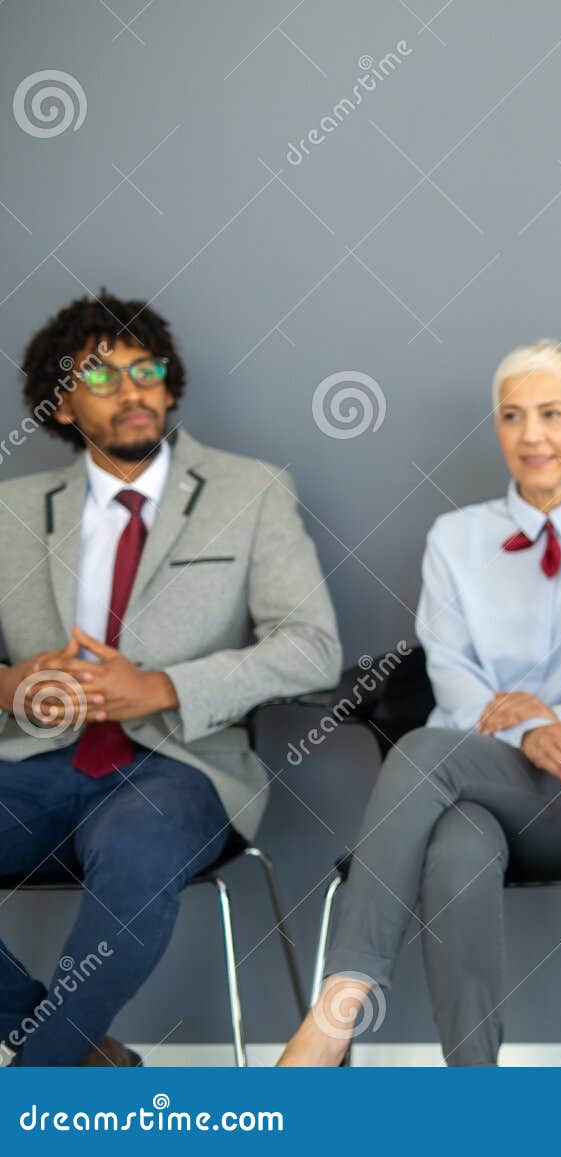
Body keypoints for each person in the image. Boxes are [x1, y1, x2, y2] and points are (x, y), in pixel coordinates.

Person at [279, 340, 561, 1067]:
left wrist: (553, 724)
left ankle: (336, 1011)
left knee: (423, 748)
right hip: (471, 783)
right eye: (511, 416)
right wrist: (525, 732)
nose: (530, 434)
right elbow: (451, 675)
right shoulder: (456, 537)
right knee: (459, 845)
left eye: (551, 413)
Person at [0, 292, 340, 1067]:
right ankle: (73, 1052)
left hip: (180, 766)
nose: (131, 390)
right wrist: (10, 684)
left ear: (169, 383)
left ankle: (34, 1092)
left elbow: (313, 646)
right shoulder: (10, 510)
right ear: (61, 403)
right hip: (36, 760)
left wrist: (164, 687)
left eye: (145, 369)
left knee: (137, 844)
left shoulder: (250, 491)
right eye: (101, 374)